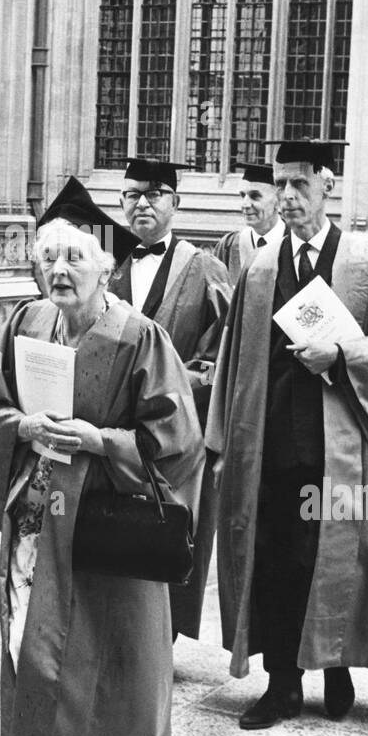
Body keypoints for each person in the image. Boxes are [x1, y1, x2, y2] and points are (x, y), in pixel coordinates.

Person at [0, 219, 204, 736]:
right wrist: (20, 424)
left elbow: (177, 440)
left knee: (111, 653)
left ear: (104, 267)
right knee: (30, 651)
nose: (60, 270)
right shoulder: (27, 324)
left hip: (106, 521)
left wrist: (101, 441)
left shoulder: (138, 337)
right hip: (39, 518)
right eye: (49, 258)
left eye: (75, 257)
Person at [207, 138, 368, 729]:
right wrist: (224, 438)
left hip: (339, 441)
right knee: (275, 559)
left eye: (300, 184)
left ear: (328, 185)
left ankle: (336, 664)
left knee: (335, 557)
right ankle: (282, 684)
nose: (288, 197)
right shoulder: (259, 266)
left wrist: (342, 351)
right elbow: (233, 361)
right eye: (281, 184)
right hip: (270, 441)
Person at [109, 156, 231, 640]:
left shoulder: (206, 269)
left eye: (155, 193)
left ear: (175, 203)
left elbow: (225, 355)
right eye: (132, 194)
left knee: (171, 527)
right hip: (110, 429)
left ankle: (164, 635)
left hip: (175, 429)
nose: (143, 203)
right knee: (110, 527)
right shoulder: (102, 262)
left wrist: (176, 383)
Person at [212, 162, 284, 286]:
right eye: (242, 195)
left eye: (255, 196)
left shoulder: (295, 244)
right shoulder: (228, 246)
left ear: (278, 201)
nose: (245, 204)